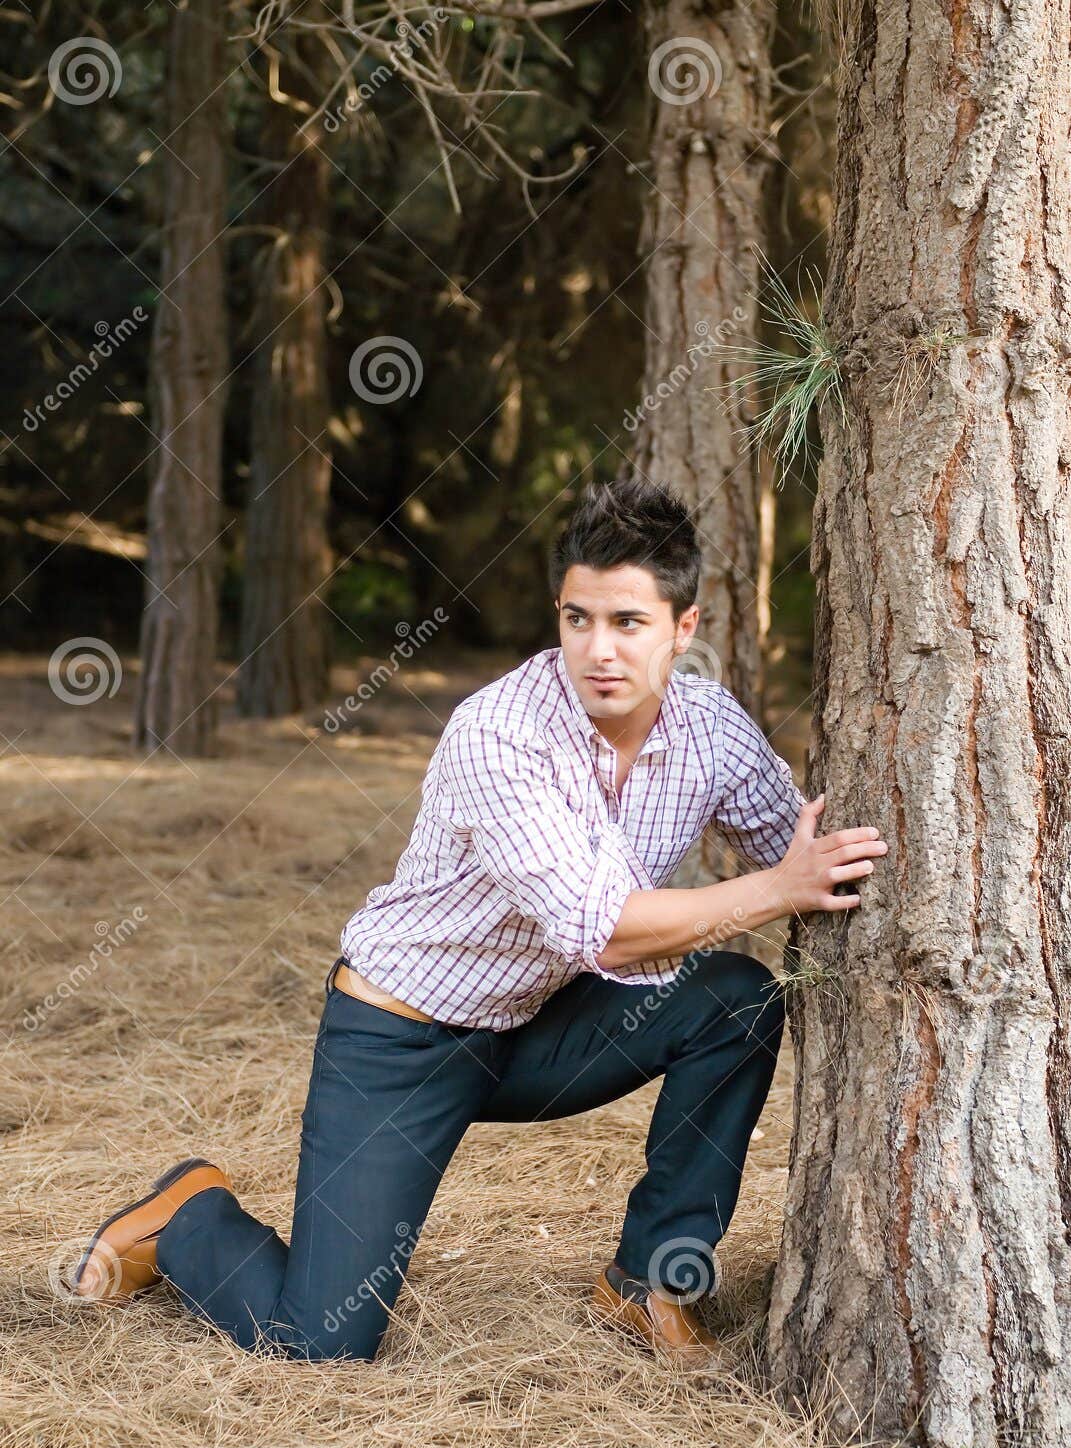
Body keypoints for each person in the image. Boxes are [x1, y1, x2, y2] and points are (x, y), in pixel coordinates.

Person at [72, 478, 888, 1371]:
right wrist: (780, 889)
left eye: (627, 623)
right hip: (401, 1038)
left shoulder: (712, 730)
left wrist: (829, 875)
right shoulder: (499, 732)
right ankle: (189, 1215)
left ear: (682, 629)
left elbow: (804, 850)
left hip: (539, 1028)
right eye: (577, 619)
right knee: (318, 1342)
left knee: (736, 999)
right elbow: (612, 931)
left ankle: (648, 1282)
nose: (598, 650)